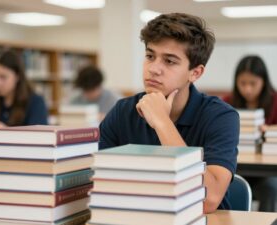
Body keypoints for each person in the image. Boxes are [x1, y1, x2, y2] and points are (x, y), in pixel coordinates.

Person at [99, 13, 239, 213]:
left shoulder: (221, 116)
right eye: (150, 56)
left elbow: (208, 199)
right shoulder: (122, 111)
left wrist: (162, 122)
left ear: (195, 73)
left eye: (170, 61)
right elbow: (95, 182)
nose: (154, 69)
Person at [223, 55, 277, 212]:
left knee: (272, 186)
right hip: (236, 167)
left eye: (253, 83)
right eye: (243, 83)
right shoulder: (227, 102)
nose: (247, 89)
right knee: (226, 186)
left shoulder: (275, 101)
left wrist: (271, 131)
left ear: (264, 81)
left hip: (266, 171)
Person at [0, 48, 48, 127]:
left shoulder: (36, 103)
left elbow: (39, 137)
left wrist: (6, 133)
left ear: (17, 76)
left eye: (3, 77)